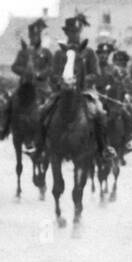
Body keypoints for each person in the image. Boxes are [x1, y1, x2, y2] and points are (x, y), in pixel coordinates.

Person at [38, 13, 114, 161]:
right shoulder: (60, 53)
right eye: (71, 32)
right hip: (62, 92)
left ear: (80, 32)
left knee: (100, 113)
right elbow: (53, 74)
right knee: (43, 110)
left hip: (85, 91)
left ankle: (103, 147)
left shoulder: (89, 52)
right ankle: (40, 147)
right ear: (66, 33)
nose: (74, 35)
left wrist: (82, 80)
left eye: (76, 32)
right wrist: (61, 81)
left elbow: (96, 74)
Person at [2, 17, 53, 139]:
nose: (34, 38)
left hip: (42, 87)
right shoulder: (23, 52)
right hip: (25, 87)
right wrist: (24, 71)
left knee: (52, 106)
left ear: (40, 37)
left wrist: (40, 74)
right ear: (30, 37)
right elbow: (14, 67)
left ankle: (51, 133)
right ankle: (6, 128)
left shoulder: (46, 52)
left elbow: (51, 68)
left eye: (36, 36)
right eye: (32, 36)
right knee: (10, 102)